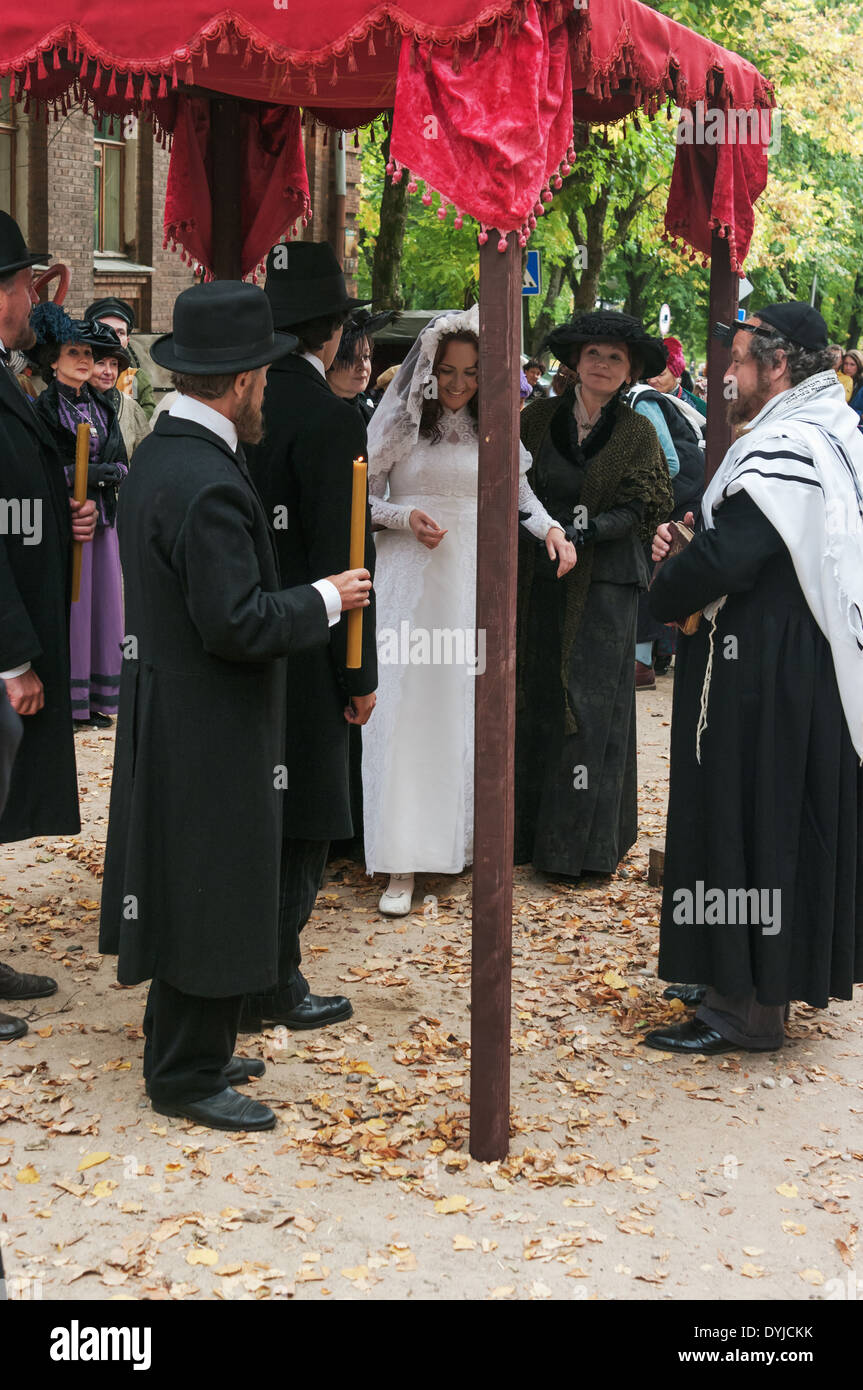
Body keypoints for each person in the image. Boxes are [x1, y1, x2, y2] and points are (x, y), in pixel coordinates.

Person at [99, 281, 371, 1130]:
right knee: (210, 884)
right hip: (210, 718)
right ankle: (184, 1074)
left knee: (192, 880)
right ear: (247, 377)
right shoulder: (206, 478)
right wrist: (326, 597)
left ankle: (198, 1047)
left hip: (174, 707)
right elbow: (236, 623)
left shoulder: (164, 455)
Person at [645, 302, 863, 1054]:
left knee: (751, 821)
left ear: (775, 364)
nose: (723, 373)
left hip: (768, 672)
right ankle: (731, 979)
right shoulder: (820, 429)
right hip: (783, 664)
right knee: (757, 820)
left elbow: (735, 555)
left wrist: (662, 592)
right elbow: (746, 535)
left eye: (736, 358)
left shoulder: (792, 440)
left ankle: (742, 1007)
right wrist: (691, 539)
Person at [364, 306, 575, 915]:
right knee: (404, 707)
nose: (459, 384)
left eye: (472, 373)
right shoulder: (400, 427)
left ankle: (452, 843)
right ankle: (399, 858)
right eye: (449, 371)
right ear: (428, 370)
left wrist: (553, 531)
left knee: (457, 708)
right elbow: (364, 498)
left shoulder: (493, 429)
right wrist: (403, 518)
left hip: (469, 585)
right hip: (409, 577)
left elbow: (521, 496)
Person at [245, 241, 377, 1029]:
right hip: (308, 640)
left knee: (263, 809)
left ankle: (254, 968)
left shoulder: (241, 403)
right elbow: (344, 554)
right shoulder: (330, 420)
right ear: (331, 332)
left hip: (241, 634)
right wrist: (356, 673)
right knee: (302, 821)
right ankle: (276, 975)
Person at [515, 311, 673, 879]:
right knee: (537, 692)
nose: (602, 365)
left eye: (615, 358)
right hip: (541, 576)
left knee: (590, 706)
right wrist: (553, 534)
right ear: (574, 363)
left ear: (629, 371)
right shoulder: (536, 418)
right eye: (593, 355)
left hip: (606, 584)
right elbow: (517, 486)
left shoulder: (637, 432)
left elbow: (643, 505)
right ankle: (526, 836)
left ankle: (579, 849)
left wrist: (586, 531)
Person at [0, 212, 97, 1039]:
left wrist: (55, 515)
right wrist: (11, 660)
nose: (37, 295)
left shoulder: (7, 371)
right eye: (26, 283)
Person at [30, 309, 130, 730]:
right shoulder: (45, 408)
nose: (85, 360)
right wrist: (79, 475)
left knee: (104, 607)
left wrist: (106, 474)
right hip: (69, 522)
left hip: (103, 521)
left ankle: (94, 698)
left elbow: (122, 462)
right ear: (54, 360)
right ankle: (68, 702)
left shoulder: (104, 405)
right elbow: (43, 467)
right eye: (74, 352)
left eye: (89, 352)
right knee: (74, 606)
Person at [83, 296, 156, 419]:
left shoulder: (136, 378)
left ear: (127, 340)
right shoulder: (77, 373)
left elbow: (147, 415)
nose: (113, 338)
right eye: (105, 329)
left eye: (120, 332)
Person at [327, 309, 395, 425]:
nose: (362, 366)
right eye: (350, 357)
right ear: (328, 360)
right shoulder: (317, 415)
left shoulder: (370, 414)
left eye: (366, 356)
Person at [89, 341, 151, 459]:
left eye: (114, 364)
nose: (108, 371)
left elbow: (147, 459)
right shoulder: (68, 406)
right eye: (100, 363)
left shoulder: (131, 407)